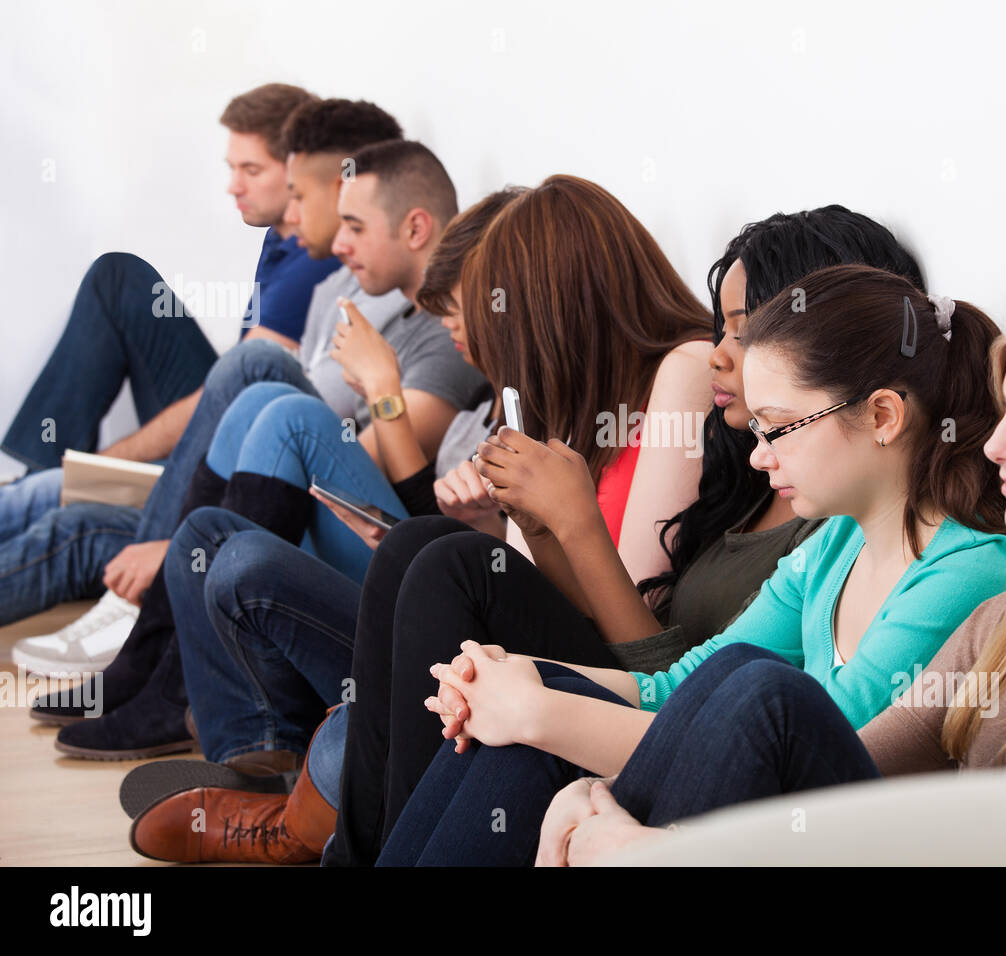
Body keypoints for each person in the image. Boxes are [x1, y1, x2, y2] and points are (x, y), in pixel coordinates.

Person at [126, 174, 729, 863]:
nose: (482, 334)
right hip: (546, 649)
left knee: (387, 642)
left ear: (558, 300)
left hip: (624, 679)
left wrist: (556, 520)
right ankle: (298, 799)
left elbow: (633, 634)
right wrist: (522, 522)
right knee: (401, 551)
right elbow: (544, 591)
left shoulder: (677, 371)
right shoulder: (563, 394)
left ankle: (307, 821)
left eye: (496, 311)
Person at [536, 292, 1006, 866]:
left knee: (760, 690)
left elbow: (994, 847)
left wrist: (673, 850)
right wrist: (611, 798)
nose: (998, 444)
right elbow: (853, 767)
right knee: (748, 682)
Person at [362, 262, 1006, 866]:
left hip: (835, 839)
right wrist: (522, 675)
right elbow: (677, 686)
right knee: (535, 726)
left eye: (779, 428)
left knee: (744, 687)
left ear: (882, 415)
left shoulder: (968, 573)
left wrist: (539, 712)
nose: (759, 458)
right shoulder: (833, 545)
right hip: (762, 812)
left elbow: (814, 745)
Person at [42, 135, 485, 758]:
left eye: (353, 224)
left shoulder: (451, 339)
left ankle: (168, 675)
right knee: (255, 415)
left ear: (415, 227)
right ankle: (159, 665)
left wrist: (382, 389)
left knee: (277, 408)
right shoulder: (373, 303)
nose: (337, 243)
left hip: (402, 565)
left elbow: (387, 478)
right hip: (365, 534)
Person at [10, 97, 406, 664]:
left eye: (255, 172)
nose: (234, 187)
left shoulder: (339, 275)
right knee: (49, 491)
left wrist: (125, 473)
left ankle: (142, 615)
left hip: (267, 491)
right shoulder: (312, 266)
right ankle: (53, 488)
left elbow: (323, 436)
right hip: (237, 472)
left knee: (63, 517)